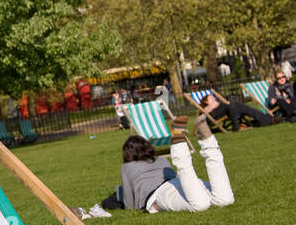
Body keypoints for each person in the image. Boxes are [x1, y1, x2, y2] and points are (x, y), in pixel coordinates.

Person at [100, 118, 234, 214]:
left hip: (159, 195)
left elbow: (129, 202)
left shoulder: (127, 167)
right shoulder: (161, 160)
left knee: (200, 205)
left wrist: (120, 194)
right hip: (178, 183)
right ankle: (208, 141)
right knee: (224, 199)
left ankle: (178, 142)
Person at [199, 88, 275, 130]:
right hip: (220, 113)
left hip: (228, 110)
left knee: (239, 106)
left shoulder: (216, 104)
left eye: (213, 97)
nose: (213, 98)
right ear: (206, 102)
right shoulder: (205, 109)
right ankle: (266, 120)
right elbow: (205, 114)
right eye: (211, 98)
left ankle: (265, 119)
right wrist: (212, 106)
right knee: (233, 105)